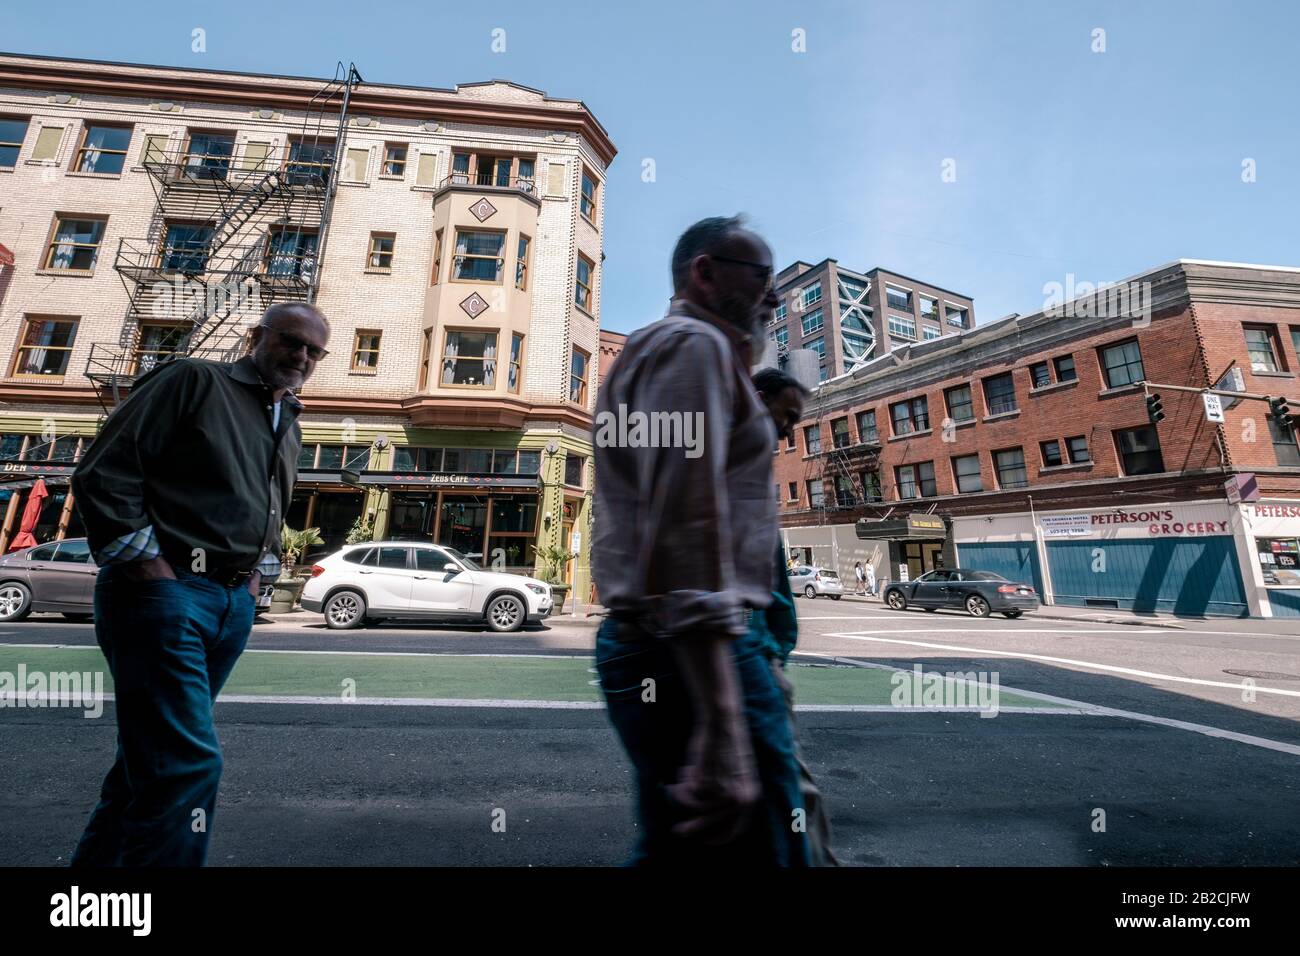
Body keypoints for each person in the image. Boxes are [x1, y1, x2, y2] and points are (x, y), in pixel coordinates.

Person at [69, 303, 330, 867]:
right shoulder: (193, 378)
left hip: (231, 604)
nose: (302, 357)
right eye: (291, 342)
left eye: (314, 351)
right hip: (167, 595)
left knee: (149, 766)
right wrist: (149, 569)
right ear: (255, 336)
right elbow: (104, 472)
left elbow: (267, 507)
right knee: (188, 765)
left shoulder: (290, 420)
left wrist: (261, 573)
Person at [593, 215, 808, 866]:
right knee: (771, 846)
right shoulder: (693, 346)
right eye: (763, 277)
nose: (773, 296)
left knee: (683, 851)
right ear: (705, 273)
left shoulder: (679, 352)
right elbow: (684, 529)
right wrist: (722, 724)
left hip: (662, 648)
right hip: (683, 652)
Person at [750, 367, 838, 866]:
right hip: (753, 660)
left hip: (763, 656)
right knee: (795, 802)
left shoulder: (748, 465)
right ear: (757, 398)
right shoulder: (725, 458)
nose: (789, 433)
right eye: (786, 418)